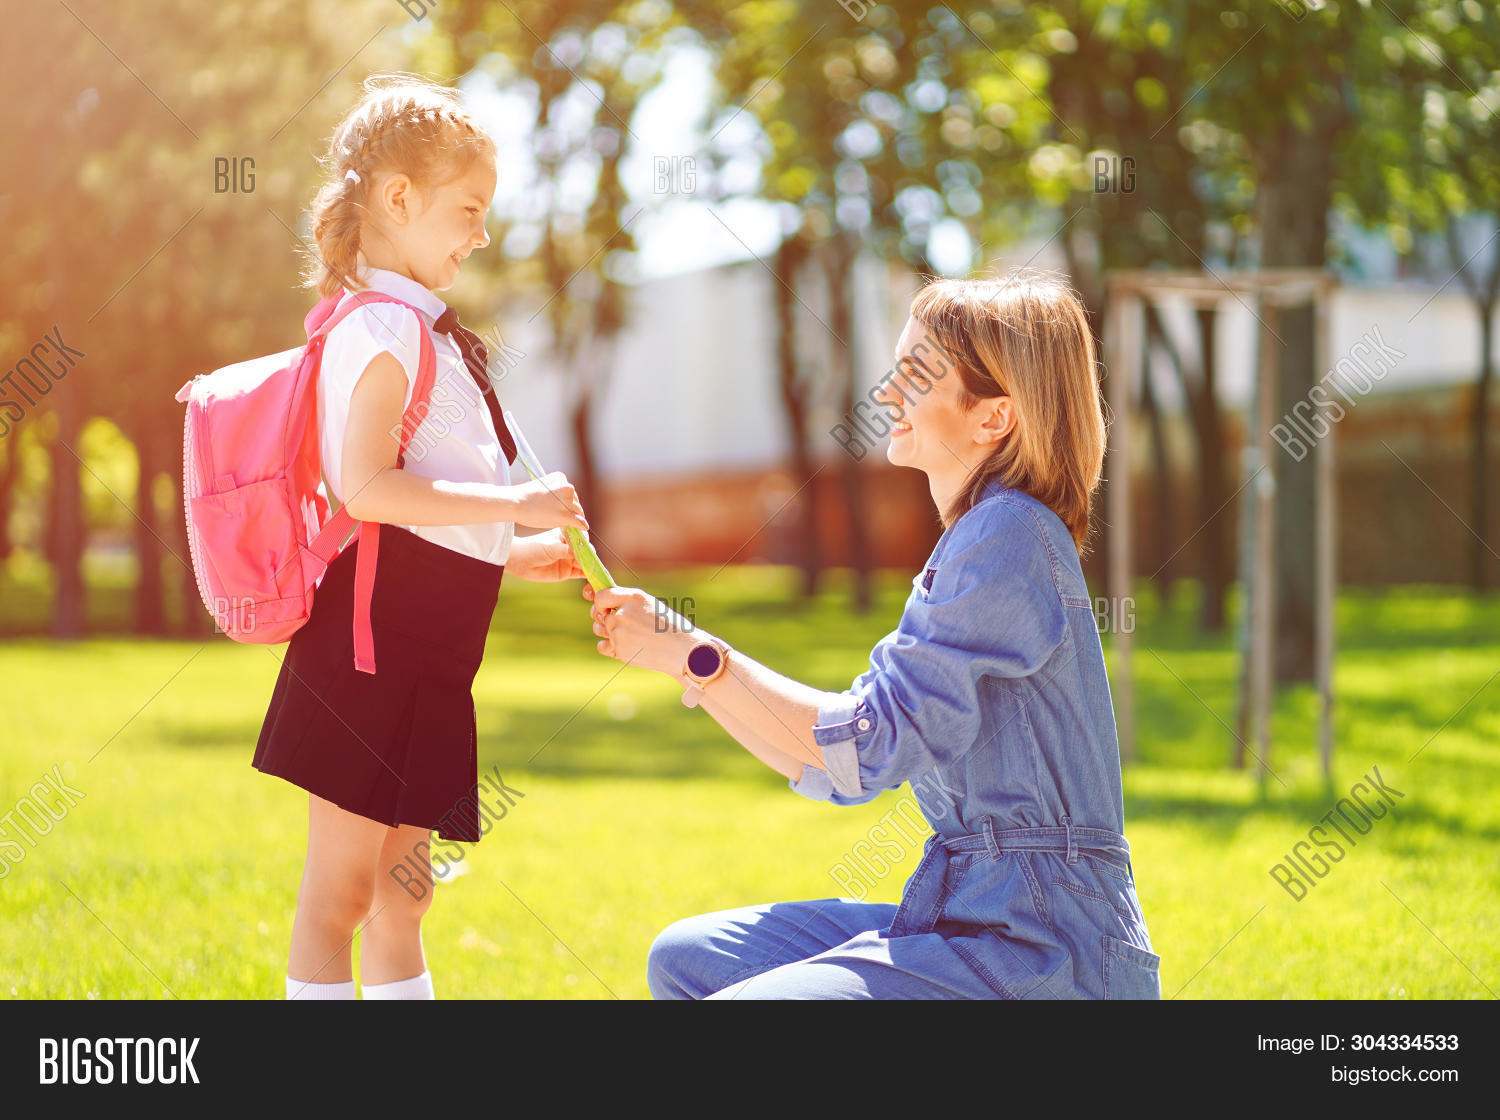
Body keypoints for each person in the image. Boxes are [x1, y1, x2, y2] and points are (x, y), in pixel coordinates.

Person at [587, 270, 1161, 999]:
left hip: (1048, 949)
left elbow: (865, 744)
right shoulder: (980, 537)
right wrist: (683, 659)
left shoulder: (1008, 533)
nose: (887, 394)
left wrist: (695, 653)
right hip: (969, 918)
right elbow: (835, 769)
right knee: (688, 957)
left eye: (918, 375)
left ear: (994, 418)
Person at [253, 76, 590, 1001]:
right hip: (366, 656)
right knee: (344, 892)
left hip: (430, 655)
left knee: (406, 897)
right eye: (469, 209)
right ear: (399, 200)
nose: (481, 234)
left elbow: (423, 512)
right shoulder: (382, 330)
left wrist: (511, 551)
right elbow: (367, 488)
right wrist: (517, 510)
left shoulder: (422, 332)